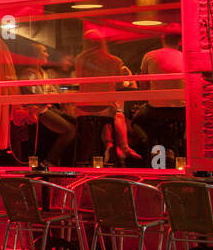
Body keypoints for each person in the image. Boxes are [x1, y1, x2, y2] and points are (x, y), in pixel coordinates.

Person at [75, 29, 139, 164]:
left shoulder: (79, 59)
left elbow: (79, 79)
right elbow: (119, 84)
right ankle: (121, 147)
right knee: (116, 113)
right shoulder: (114, 61)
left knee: (108, 115)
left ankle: (108, 145)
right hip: (105, 107)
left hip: (83, 108)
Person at [19, 43, 76, 166]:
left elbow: (51, 92)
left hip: (47, 107)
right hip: (38, 111)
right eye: (43, 51)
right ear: (35, 55)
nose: (47, 54)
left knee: (77, 123)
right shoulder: (28, 74)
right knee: (69, 130)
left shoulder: (43, 73)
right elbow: (38, 98)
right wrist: (52, 96)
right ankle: (50, 161)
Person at [135, 27, 186, 158]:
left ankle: (154, 147)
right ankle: (173, 148)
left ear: (163, 38)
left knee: (137, 120)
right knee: (173, 122)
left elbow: (143, 85)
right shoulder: (185, 57)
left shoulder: (150, 55)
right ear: (180, 41)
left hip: (156, 109)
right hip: (181, 110)